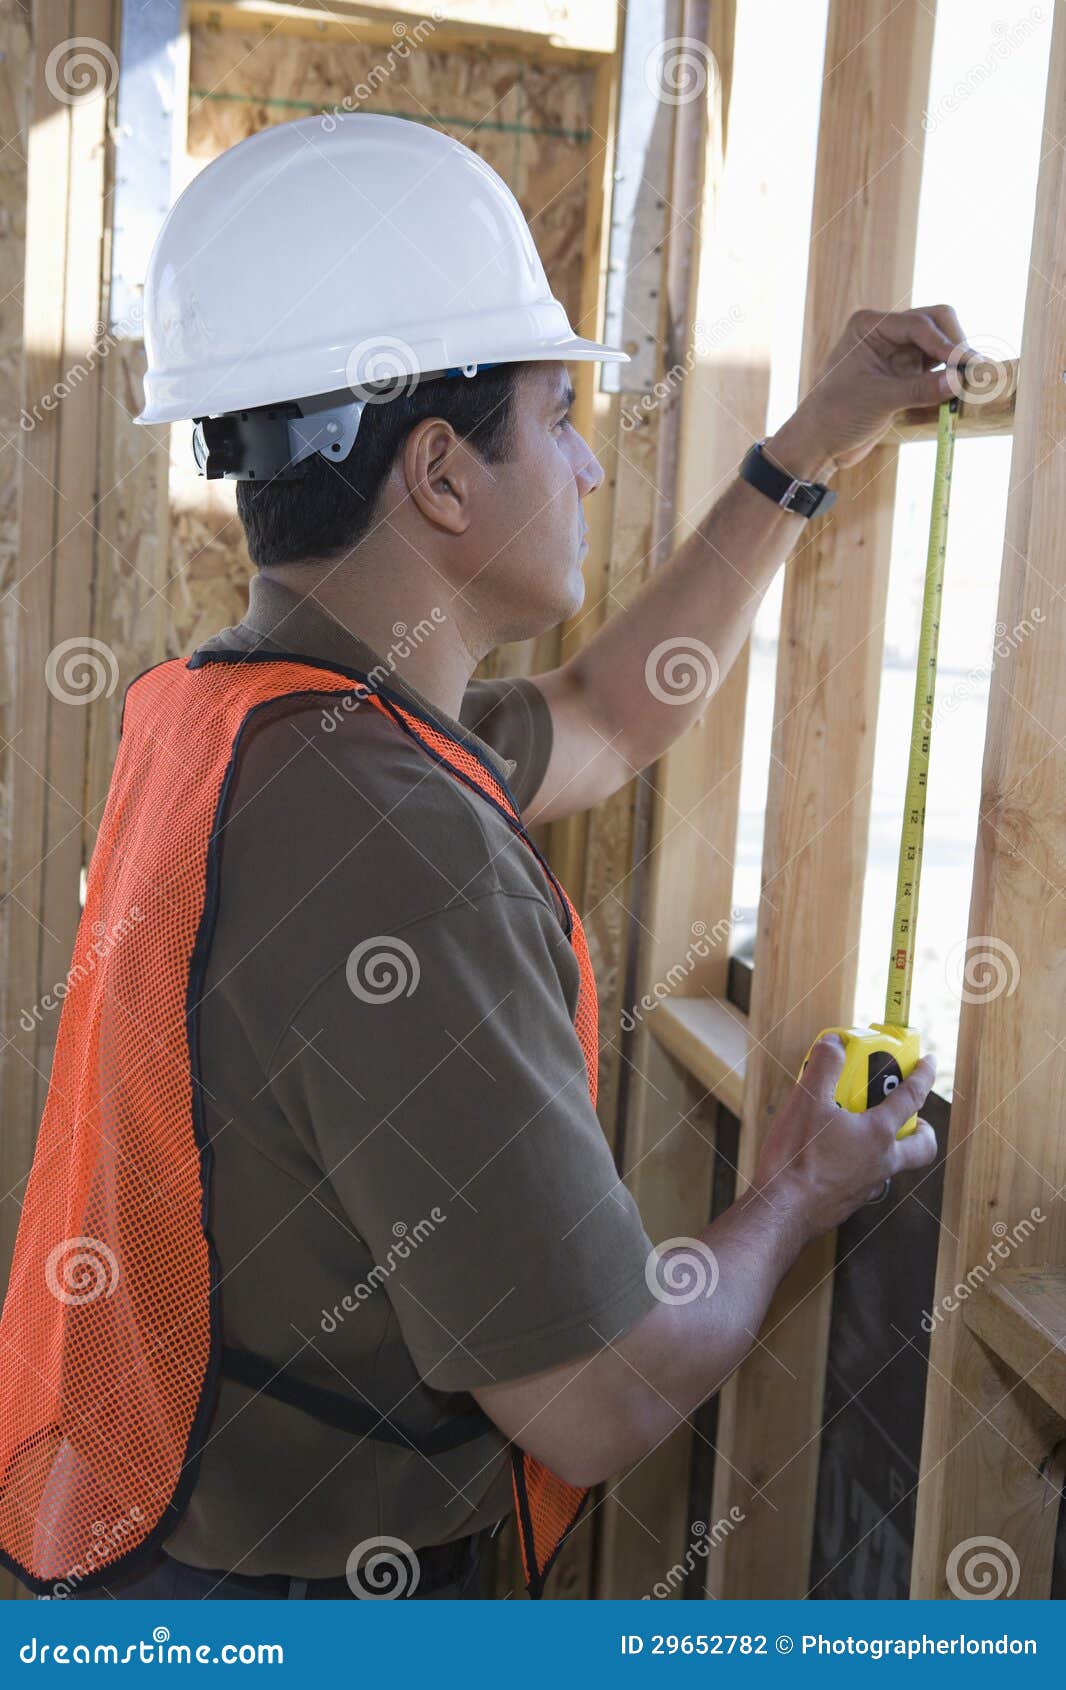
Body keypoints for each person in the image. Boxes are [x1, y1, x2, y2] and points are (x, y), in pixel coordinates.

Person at [0, 114, 961, 1602]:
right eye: (560, 417)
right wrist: (796, 1192)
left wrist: (800, 451)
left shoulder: (239, 718)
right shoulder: (395, 840)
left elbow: (606, 716)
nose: (585, 466)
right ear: (440, 473)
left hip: (136, 1556)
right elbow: (597, 1397)